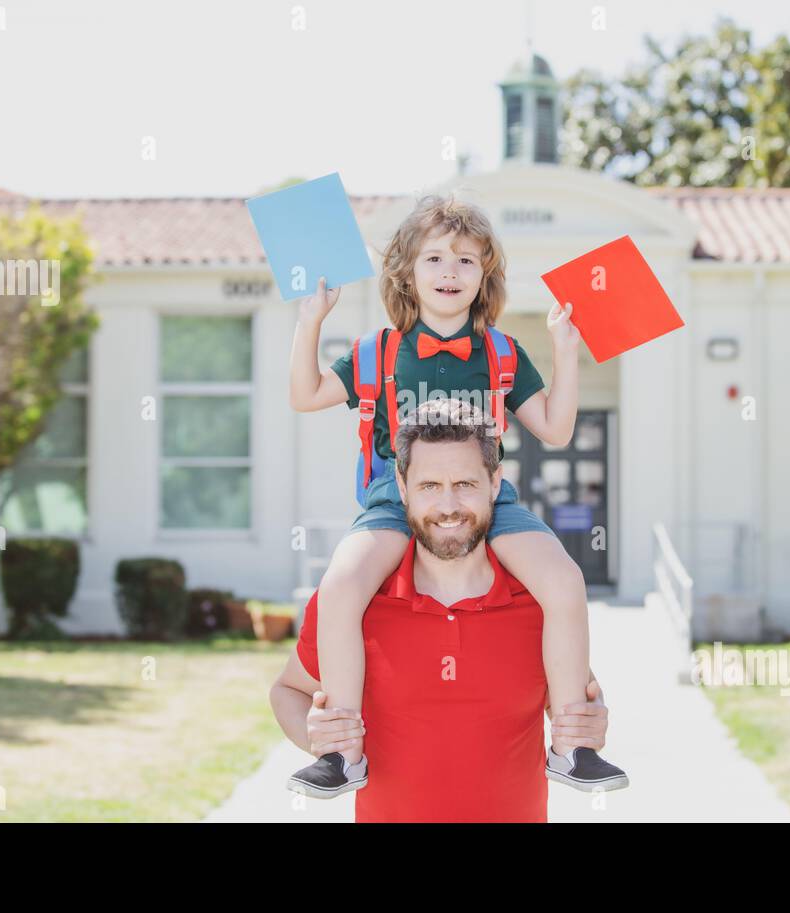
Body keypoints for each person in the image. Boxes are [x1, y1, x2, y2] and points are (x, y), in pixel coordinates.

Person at [286, 193, 627, 795]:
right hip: (397, 501)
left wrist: (568, 350)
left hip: (488, 499)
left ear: (485, 276)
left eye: (467, 261)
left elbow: (554, 428)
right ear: (407, 272)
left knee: (565, 580)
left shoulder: (500, 352)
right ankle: (341, 752)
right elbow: (305, 393)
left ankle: (572, 746)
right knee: (340, 586)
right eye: (436, 258)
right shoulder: (377, 352)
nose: (450, 272)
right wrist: (311, 317)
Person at [268, 399, 624, 822]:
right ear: (402, 488)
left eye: (466, 484)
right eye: (429, 486)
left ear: (495, 483)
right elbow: (288, 691)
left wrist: (590, 722)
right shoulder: (356, 604)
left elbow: (578, 697)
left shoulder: (539, 601)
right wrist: (319, 738)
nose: (449, 505)